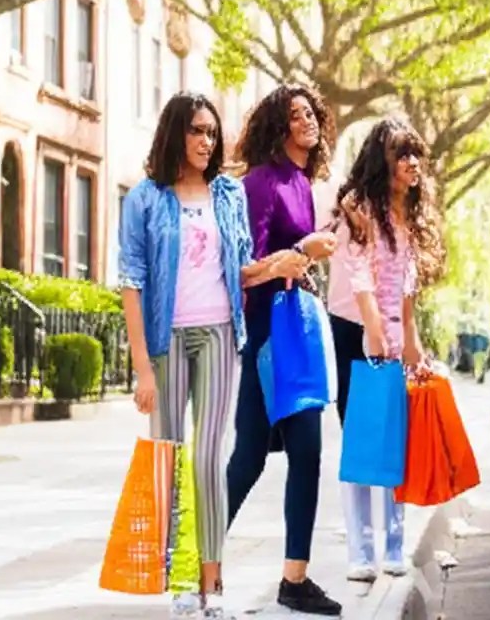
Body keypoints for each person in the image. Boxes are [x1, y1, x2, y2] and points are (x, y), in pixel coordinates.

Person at [119, 92, 310, 620]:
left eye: (211, 132)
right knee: (172, 460)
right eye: (197, 131)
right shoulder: (145, 199)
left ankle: (213, 588)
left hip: (219, 336)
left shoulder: (226, 194)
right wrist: (141, 369)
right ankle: (183, 583)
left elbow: (242, 268)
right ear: (175, 133)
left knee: (207, 459)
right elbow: (131, 283)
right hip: (165, 342)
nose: (206, 141)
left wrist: (280, 265)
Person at [227, 83, 342, 616]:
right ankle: (196, 559)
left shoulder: (302, 182)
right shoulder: (263, 182)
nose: (308, 122)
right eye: (296, 115)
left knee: (281, 455)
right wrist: (301, 251)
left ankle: (293, 578)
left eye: (312, 113)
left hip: (289, 332)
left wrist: (309, 254)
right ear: (279, 126)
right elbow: (244, 270)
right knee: (256, 458)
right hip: (269, 336)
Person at [324, 116, 446, 582]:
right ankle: (361, 551)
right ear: (383, 160)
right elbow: (358, 274)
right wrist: (375, 331)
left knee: (394, 442)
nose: (412, 163)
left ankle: (394, 545)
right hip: (355, 331)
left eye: (416, 154)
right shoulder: (358, 207)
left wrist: (411, 343)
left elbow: (407, 287)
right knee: (360, 446)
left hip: (392, 336)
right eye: (402, 154)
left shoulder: (408, 215)